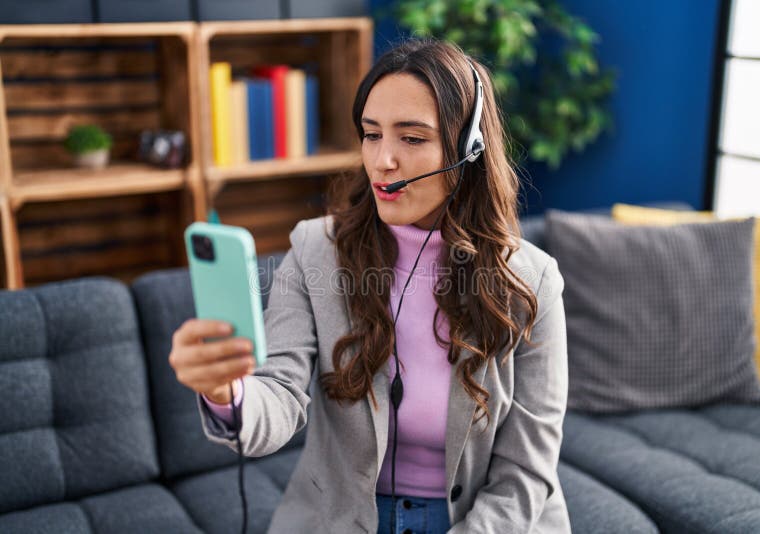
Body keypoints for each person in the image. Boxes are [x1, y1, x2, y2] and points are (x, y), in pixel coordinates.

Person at [169, 38, 570, 533]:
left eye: (412, 138)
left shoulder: (531, 282)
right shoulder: (316, 251)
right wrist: (226, 391)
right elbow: (279, 393)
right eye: (371, 134)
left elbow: (525, 475)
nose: (383, 161)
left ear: (469, 150)